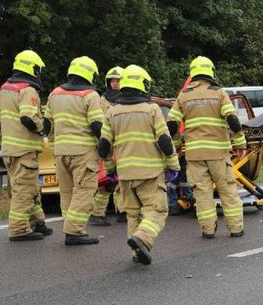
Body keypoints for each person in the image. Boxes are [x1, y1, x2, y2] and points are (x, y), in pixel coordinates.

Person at [99, 65, 180, 265]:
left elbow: (104, 146)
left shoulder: (112, 111)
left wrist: (110, 170)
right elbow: (165, 141)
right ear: (142, 84)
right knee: (157, 211)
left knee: (133, 214)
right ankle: (142, 238)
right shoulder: (151, 109)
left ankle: (136, 252)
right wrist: (173, 166)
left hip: (125, 174)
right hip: (150, 173)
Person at [167, 56, 247, 238]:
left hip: (195, 154)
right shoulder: (219, 93)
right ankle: (235, 229)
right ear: (210, 71)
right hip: (218, 152)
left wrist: (178, 144)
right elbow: (232, 119)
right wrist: (240, 142)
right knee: (227, 190)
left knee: (202, 193)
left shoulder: (184, 95)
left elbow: (171, 123)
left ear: (193, 72)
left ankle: (208, 231)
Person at [46, 56, 104, 245]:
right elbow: (97, 125)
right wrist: (106, 145)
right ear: (90, 74)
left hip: (61, 151)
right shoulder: (90, 95)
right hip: (83, 152)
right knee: (85, 190)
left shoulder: (55, 94)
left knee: (67, 192)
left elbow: (47, 124)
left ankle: (70, 227)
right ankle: (75, 231)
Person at [0, 50, 53, 241]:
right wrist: (42, 129)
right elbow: (28, 117)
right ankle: (19, 228)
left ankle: (38, 221)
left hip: (9, 149)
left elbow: (0, 117)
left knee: (29, 187)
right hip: (24, 149)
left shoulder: (5, 88)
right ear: (33, 68)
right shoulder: (28, 90)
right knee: (24, 190)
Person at [92, 66, 122, 225]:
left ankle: (122, 212)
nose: (115, 84)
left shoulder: (126, 99)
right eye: (112, 81)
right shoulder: (101, 100)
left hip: (122, 145)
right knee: (108, 181)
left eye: (118, 81)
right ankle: (97, 213)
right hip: (107, 145)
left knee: (122, 180)